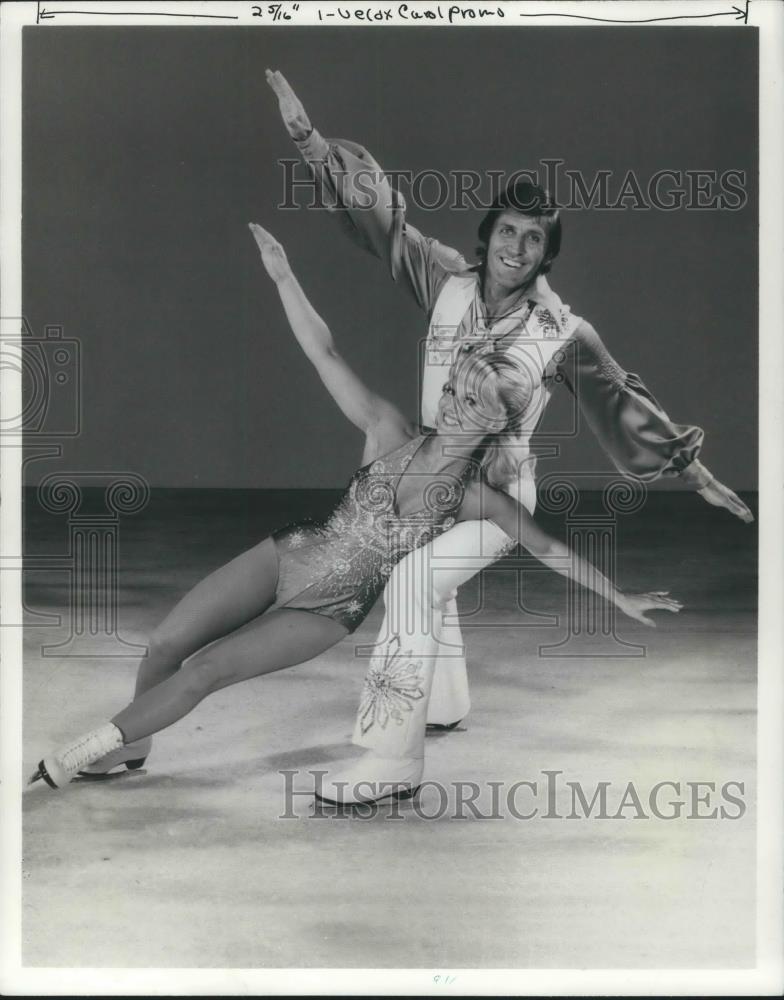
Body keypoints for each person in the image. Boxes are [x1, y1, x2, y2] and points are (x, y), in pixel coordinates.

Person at [29, 224, 682, 797]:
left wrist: (620, 599)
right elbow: (325, 352)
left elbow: (551, 551)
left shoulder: (476, 499)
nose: (457, 404)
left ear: (495, 421)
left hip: (327, 610)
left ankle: (80, 751)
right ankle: (136, 743)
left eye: (477, 404)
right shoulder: (388, 427)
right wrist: (285, 277)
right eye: (457, 390)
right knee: (168, 642)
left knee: (203, 671)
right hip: (286, 555)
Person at [264, 69, 753, 802]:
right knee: (425, 579)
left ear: (546, 256)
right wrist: (312, 143)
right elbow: (386, 220)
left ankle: (392, 761)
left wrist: (693, 470)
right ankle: (448, 700)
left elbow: (623, 400)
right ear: (488, 234)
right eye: (508, 232)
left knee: (414, 580)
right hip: (429, 466)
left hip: (495, 492)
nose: (517, 248)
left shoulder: (563, 332)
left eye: (534, 240)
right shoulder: (446, 281)